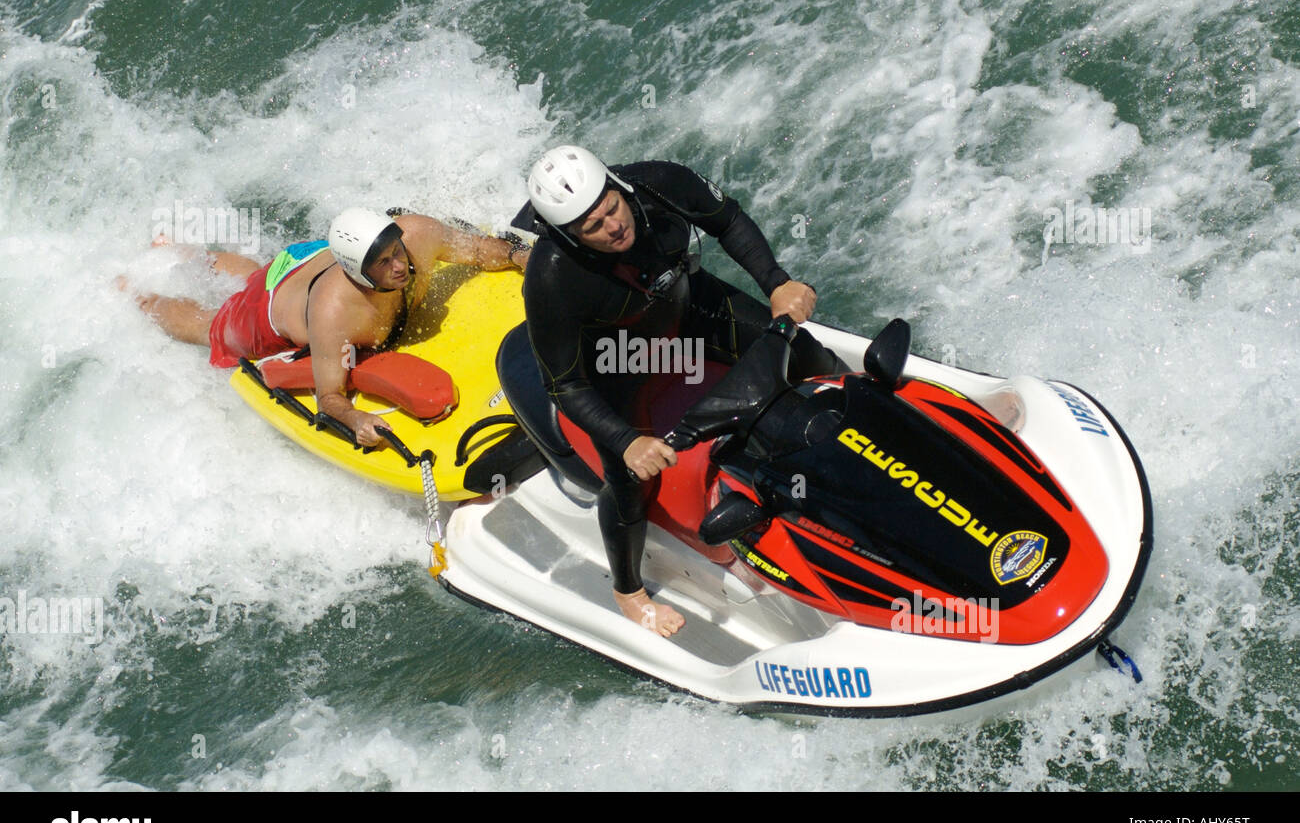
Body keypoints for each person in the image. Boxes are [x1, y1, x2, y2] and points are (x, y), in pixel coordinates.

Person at [517, 146, 844, 637]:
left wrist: (776, 283)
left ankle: (889, 421)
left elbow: (729, 220)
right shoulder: (551, 277)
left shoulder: (659, 183)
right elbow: (563, 383)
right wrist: (627, 441)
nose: (612, 227)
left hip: (688, 308)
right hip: (619, 361)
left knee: (808, 358)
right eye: (592, 227)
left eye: (611, 207)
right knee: (631, 482)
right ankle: (628, 592)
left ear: (616, 185)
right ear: (568, 234)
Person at [123, 209, 531, 446]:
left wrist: (518, 255)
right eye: (384, 264)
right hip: (266, 315)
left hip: (304, 261)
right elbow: (329, 395)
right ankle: (139, 295)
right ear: (356, 273)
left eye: (397, 252)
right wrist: (356, 421)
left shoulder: (417, 234)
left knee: (259, 272)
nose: (400, 267)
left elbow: (479, 250)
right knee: (214, 323)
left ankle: (185, 250)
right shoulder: (334, 314)